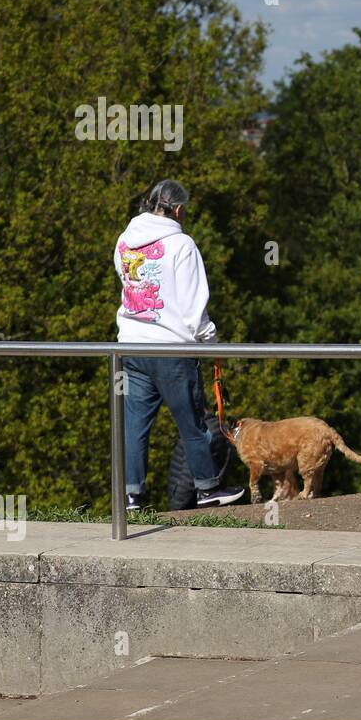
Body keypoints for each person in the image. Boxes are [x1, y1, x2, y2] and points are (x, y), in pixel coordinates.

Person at [114, 179, 244, 509]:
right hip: (172, 348)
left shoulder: (124, 242)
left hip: (131, 346)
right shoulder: (182, 245)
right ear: (179, 210)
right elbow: (193, 305)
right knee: (193, 424)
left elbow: (128, 285)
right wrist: (210, 341)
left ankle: (133, 496)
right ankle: (206, 487)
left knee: (134, 427)